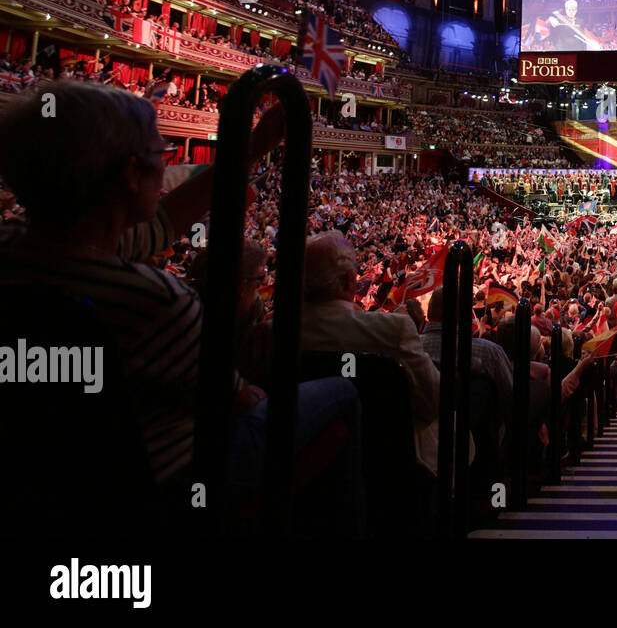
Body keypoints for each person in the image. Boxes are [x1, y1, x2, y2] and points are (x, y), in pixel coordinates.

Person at [0, 82, 364, 533]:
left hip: (49, 488)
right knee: (343, 392)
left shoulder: (20, 246)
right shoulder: (156, 301)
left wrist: (253, 148)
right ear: (132, 174)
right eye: (162, 154)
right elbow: (240, 399)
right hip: (173, 482)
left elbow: (167, 220)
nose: (169, 165)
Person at [301, 231, 442, 475]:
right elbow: (433, 403)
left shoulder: (265, 337)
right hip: (385, 468)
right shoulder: (392, 331)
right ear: (349, 280)